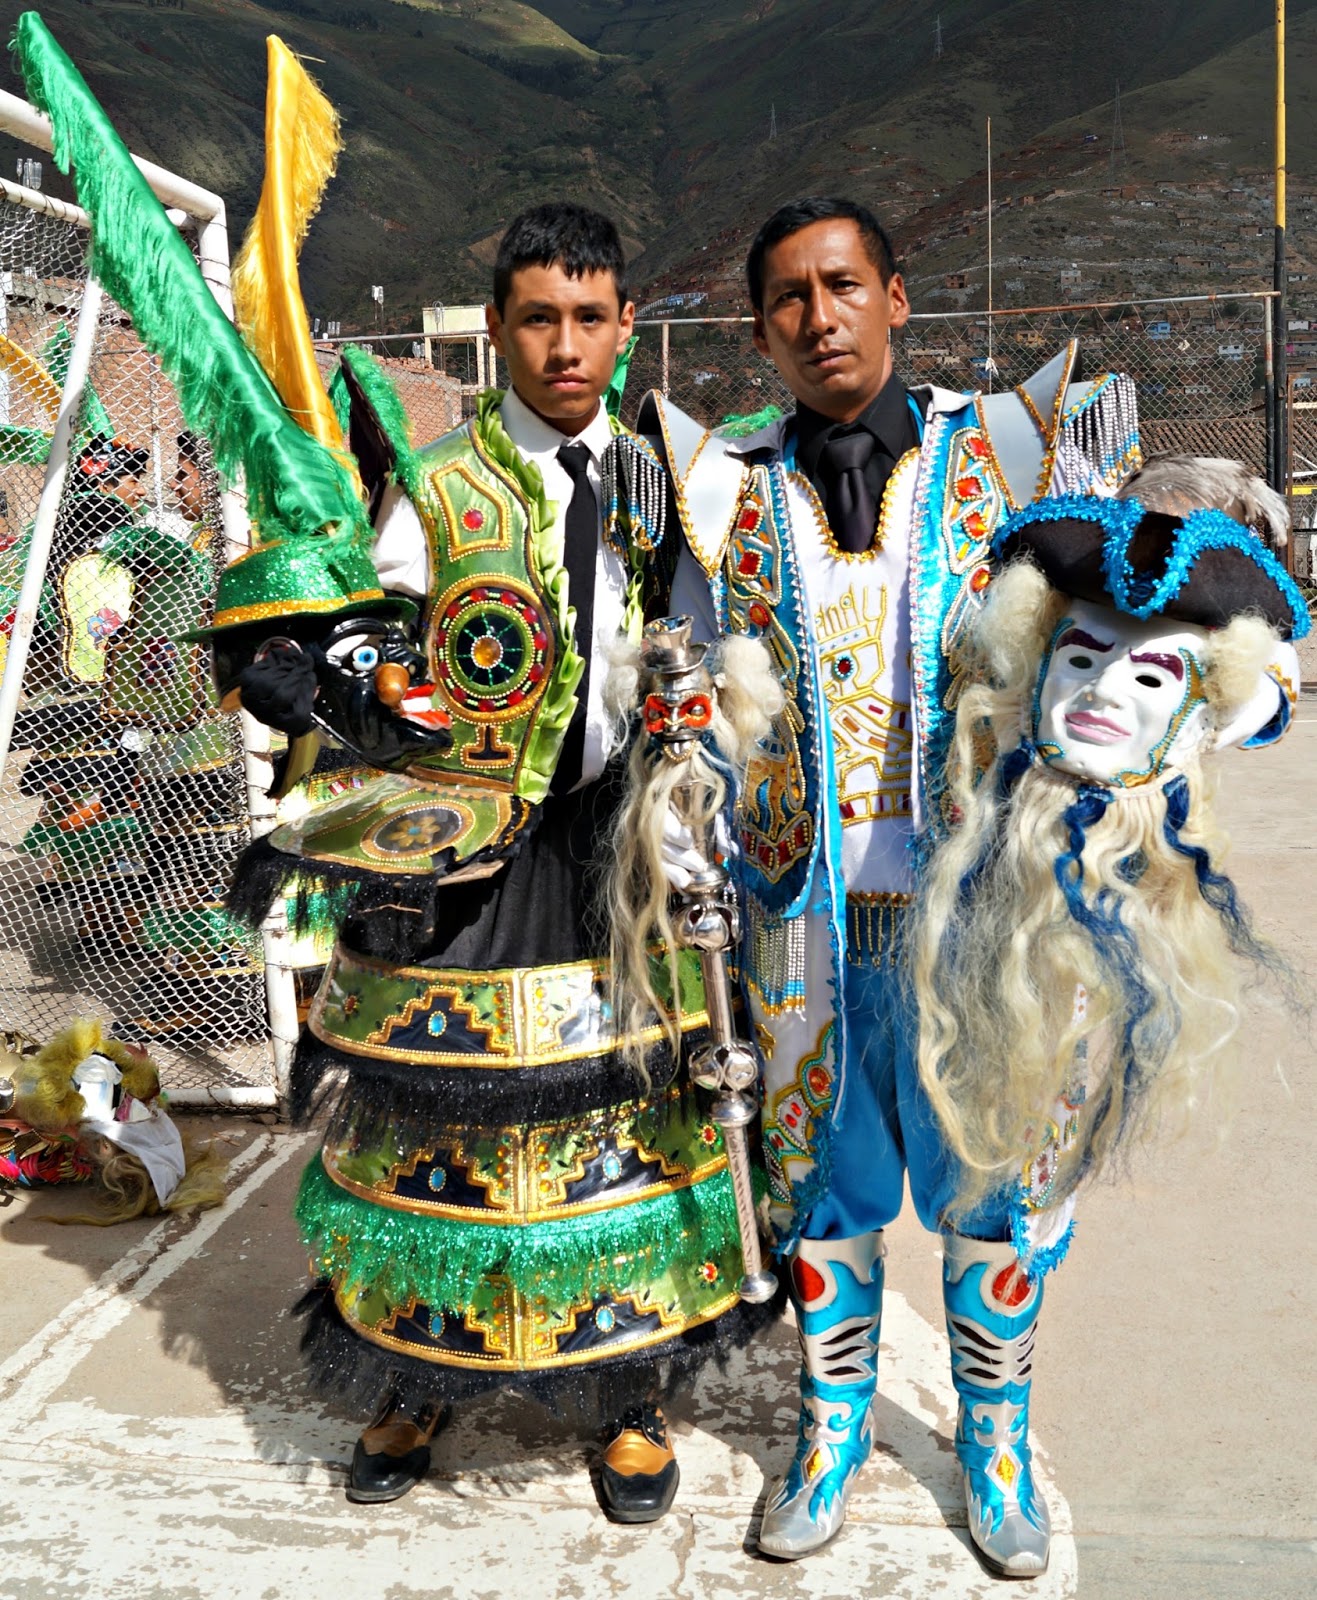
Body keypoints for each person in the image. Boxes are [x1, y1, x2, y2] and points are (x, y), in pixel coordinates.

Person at [219, 202, 770, 1516]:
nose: (564, 347)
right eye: (539, 319)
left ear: (625, 327)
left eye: (589, 319)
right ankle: (415, 1378)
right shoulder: (433, 486)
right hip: (452, 852)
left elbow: (716, 634)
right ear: (500, 332)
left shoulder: (666, 481)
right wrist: (339, 692)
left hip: (613, 849)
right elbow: (344, 653)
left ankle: (620, 1394)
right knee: (422, 1120)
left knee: (624, 1122)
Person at [658, 195, 1142, 1575]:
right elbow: (691, 679)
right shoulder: (724, 487)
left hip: (977, 915)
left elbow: (1101, 638)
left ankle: (989, 1450)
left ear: (895, 297)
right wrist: (686, 784)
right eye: (791, 301)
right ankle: (829, 1435)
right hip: (797, 916)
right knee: (824, 1187)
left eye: (843, 287)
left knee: (994, 1185)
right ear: (759, 330)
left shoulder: (999, 451)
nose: (820, 320)